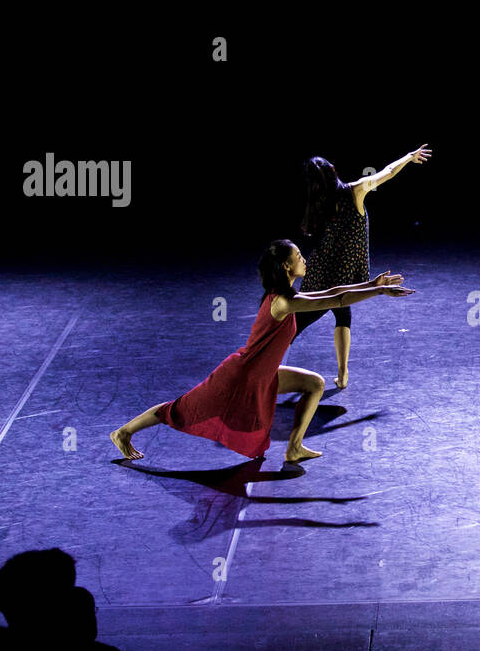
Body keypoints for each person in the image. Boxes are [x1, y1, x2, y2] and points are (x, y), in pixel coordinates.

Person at [110, 240, 414, 464]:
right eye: (298, 256)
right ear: (286, 266)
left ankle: (294, 448)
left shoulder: (287, 295)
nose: (304, 259)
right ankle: (123, 433)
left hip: (263, 374)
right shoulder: (283, 301)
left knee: (315, 384)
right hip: (240, 377)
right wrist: (378, 291)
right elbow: (336, 301)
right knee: (178, 410)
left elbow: (334, 292)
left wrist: (371, 283)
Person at [294, 146, 431, 389]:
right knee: (336, 314)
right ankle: (342, 373)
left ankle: (273, 359)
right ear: (332, 171)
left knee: (304, 317)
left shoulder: (319, 203)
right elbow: (388, 172)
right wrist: (409, 157)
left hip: (321, 269)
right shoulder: (355, 190)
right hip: (343, 271)